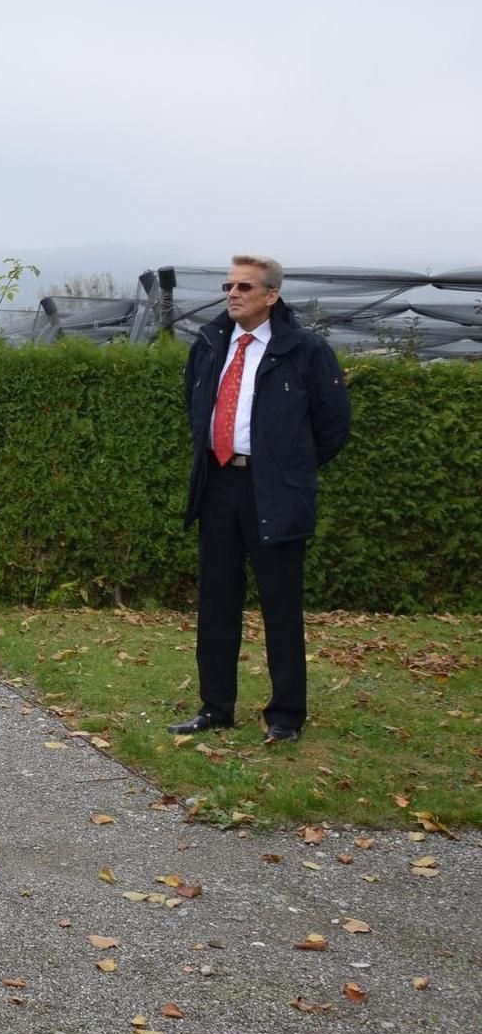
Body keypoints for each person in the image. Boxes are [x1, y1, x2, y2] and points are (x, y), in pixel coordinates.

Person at [169, 255, 351, 744]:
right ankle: (216, 708)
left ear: (271, 295)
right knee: (217, 603)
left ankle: (286, 715)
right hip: (219, 486)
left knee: (280, 605)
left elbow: (333, 426)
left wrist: (289, 469)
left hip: (274, 490)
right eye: (228, 284)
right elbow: (194, 405)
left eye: (244, 286)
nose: (232, 293)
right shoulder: (211, 345)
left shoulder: (305, 351)